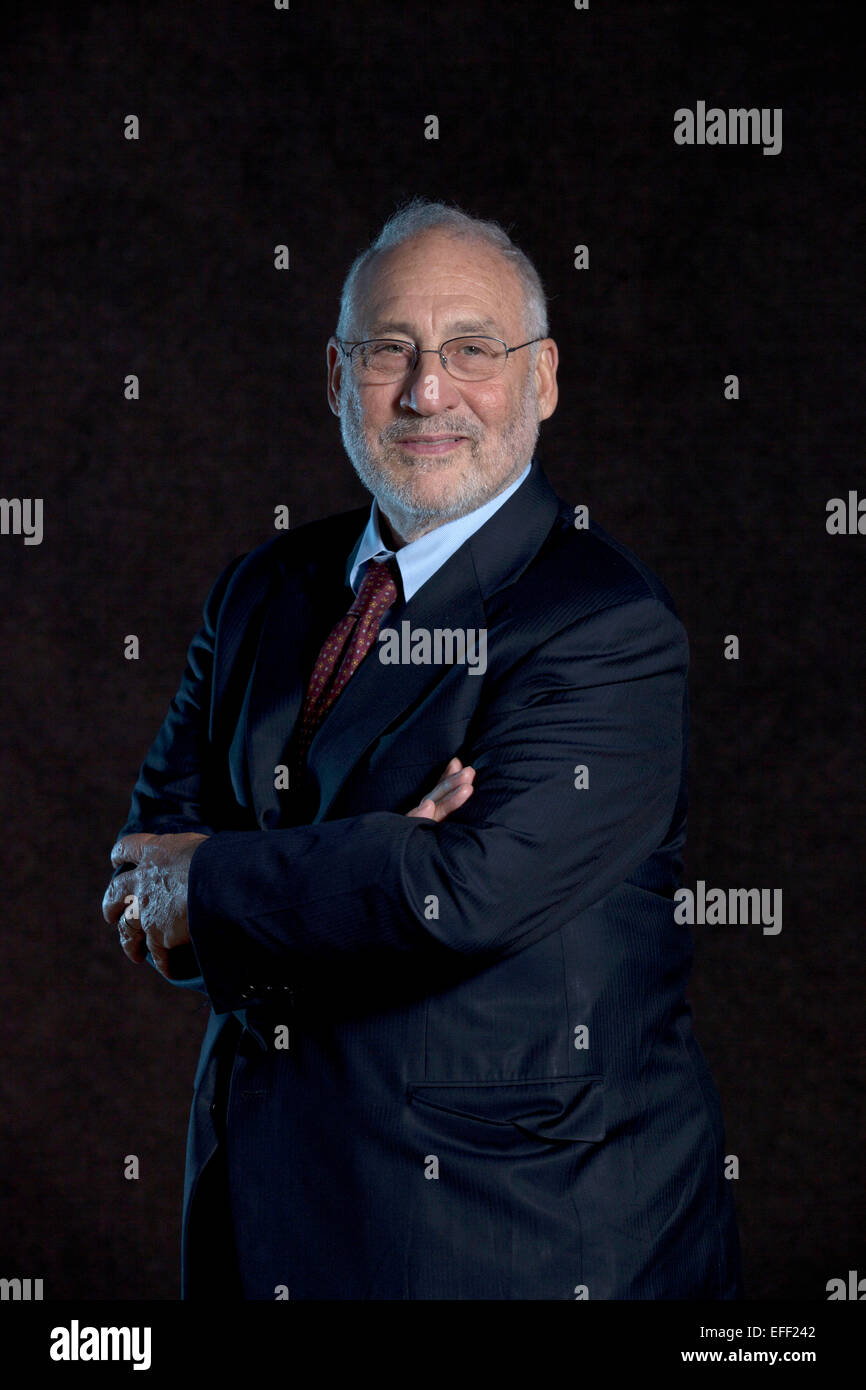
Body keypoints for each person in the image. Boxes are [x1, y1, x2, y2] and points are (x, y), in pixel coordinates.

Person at [102, 197, 743, 1300]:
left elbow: (464, 890)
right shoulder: (263, 588)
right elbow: (141, 867)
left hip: (510, 1236)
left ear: (541, 378)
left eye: (470, 350)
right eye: (387, 349)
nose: (425, 390)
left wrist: (219, 877)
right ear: (336, 376)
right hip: (262, 1211)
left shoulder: (603, 622)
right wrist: (372, 850)